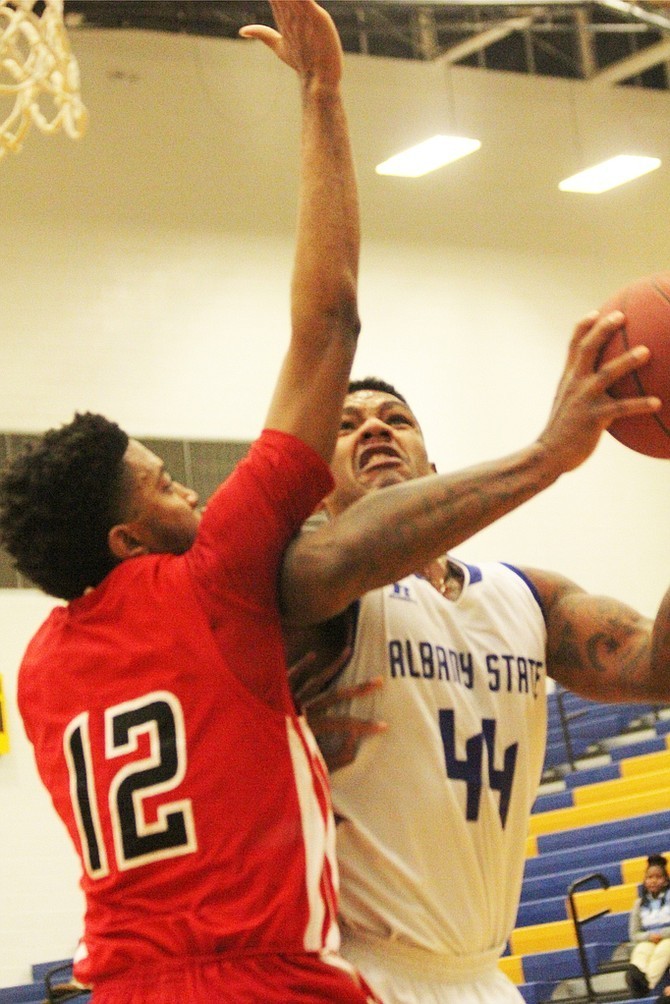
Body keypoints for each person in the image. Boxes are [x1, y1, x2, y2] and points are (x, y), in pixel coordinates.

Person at [0, 4, 381, 1002]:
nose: (193, 489)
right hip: (260, 983)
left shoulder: (39, 672)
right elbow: (329, 324)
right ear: (129, 538)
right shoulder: (210, 579)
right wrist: (322, 95)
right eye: (165, 482)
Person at [277, 312, 670, 1004]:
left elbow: (656, 669)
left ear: (435, 474)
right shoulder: (314, 590)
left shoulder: (528, 597)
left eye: (396, 419)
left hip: (483, 977)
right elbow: (341, 558)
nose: (374, 429)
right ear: (318, 492)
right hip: (356, 970)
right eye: (346, 426)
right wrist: (546, 454)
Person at [627, 855, 670, 997]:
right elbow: (634, 934)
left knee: (663, 951)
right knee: (641, 951)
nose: (653, 881)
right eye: (650, 877)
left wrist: (662, 935)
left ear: (666, 880)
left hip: (668, 938)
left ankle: (646, 985)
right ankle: (635, 976)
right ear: (645, 881)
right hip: (648, 938)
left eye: (658, 877)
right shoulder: (639, 904)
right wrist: (648, 936)